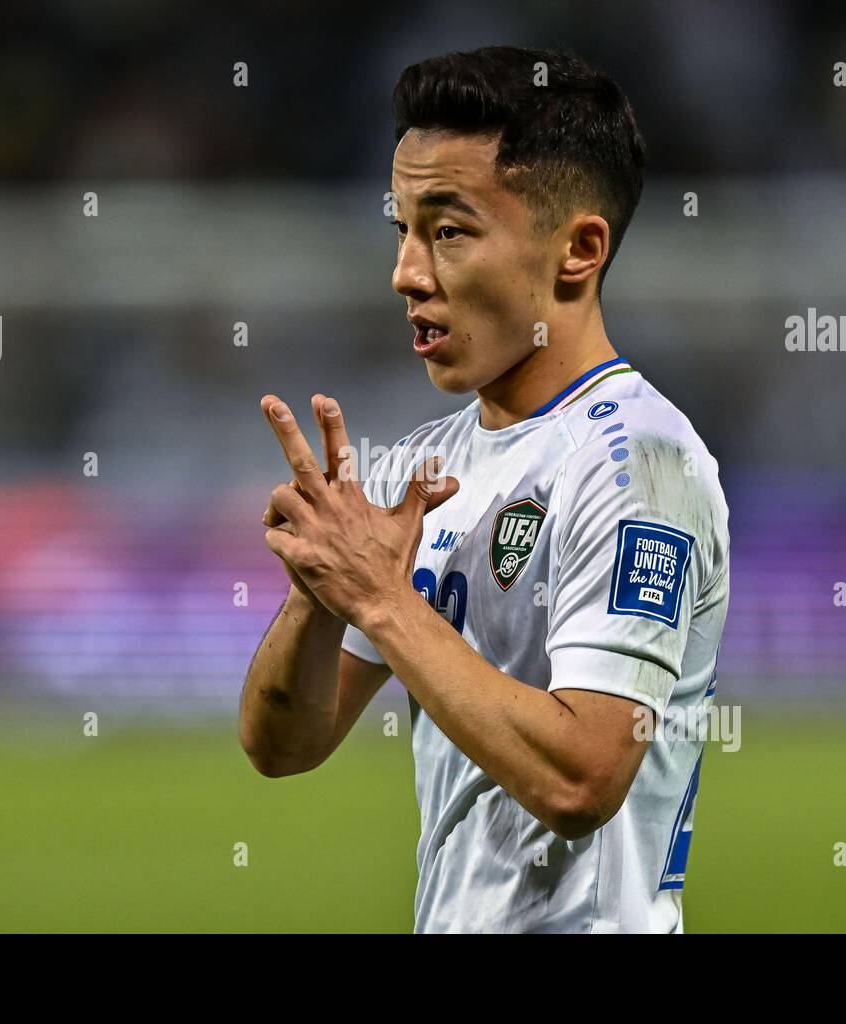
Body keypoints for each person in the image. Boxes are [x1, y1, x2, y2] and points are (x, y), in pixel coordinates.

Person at [239, 45, 730, 933]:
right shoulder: (425, 468)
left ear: (578, 250)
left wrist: (383, 601)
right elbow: (283, 746)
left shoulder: (638, 464)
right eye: (401, 229)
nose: (407, 273)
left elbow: (583, 777)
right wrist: (317, 597)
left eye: (449, 230)